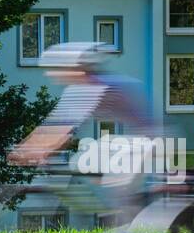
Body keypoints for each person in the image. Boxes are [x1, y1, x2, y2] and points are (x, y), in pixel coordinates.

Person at [9, 41, 156, 165]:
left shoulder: (94, 86)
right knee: (88, 162)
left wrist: (34, 152)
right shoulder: (78, 89)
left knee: (95, 166)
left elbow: (64, 131)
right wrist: (26, 149)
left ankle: (126, 199)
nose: (51, 74)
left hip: (152, 137)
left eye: (56, 69)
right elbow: (54, 125)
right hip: (137, 138)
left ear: (74, 68)